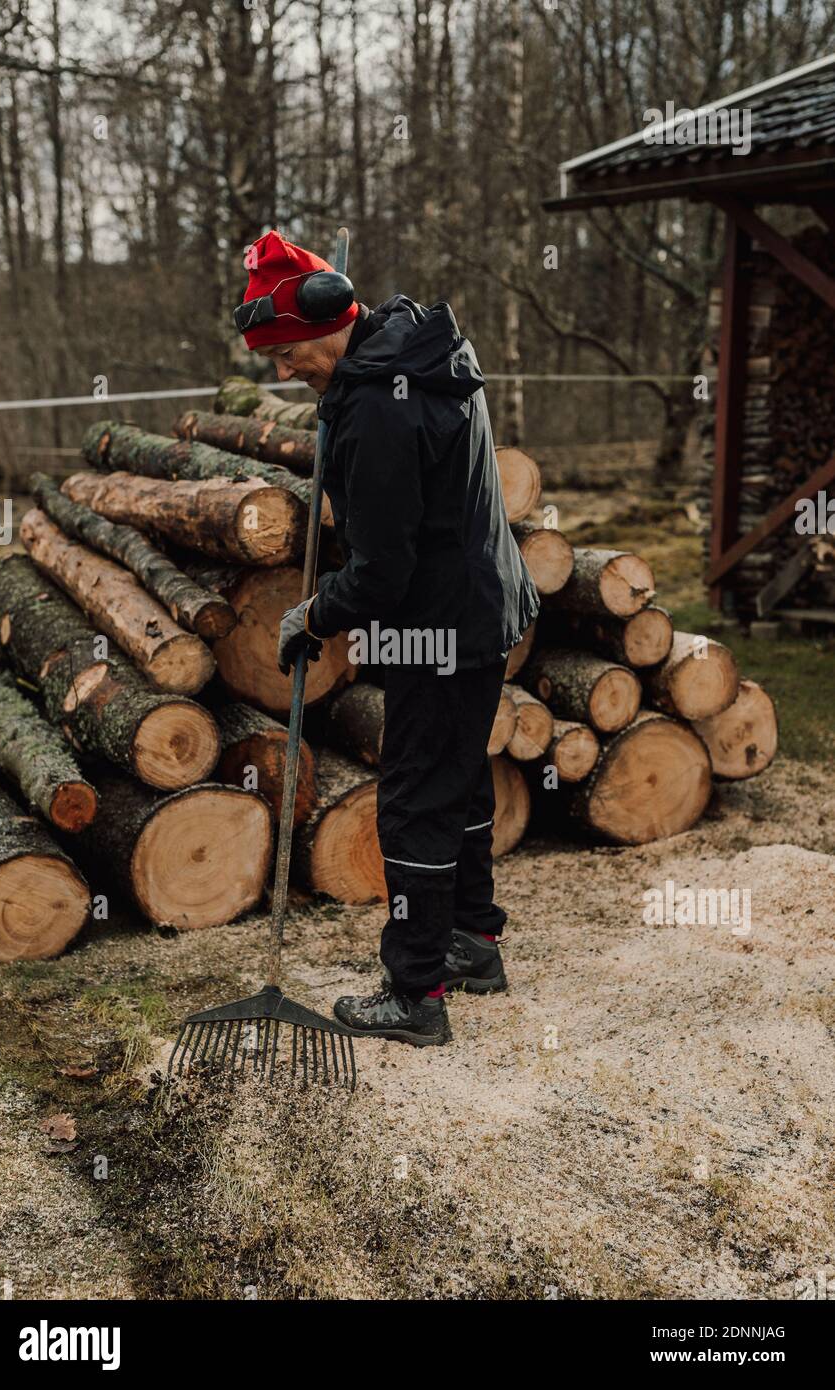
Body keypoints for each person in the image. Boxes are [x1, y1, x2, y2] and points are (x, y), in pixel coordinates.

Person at [237, 229, 539, 1046]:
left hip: (439, 622)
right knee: (459, 780)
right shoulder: (418, 342)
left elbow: (382, 575)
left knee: (413, 801)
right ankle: (472, 941)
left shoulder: (374, 409)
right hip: (484, 603)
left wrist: (315, 615)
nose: (282, 373)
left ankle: (415, 994)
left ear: (332, 326)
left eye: (288, 353)